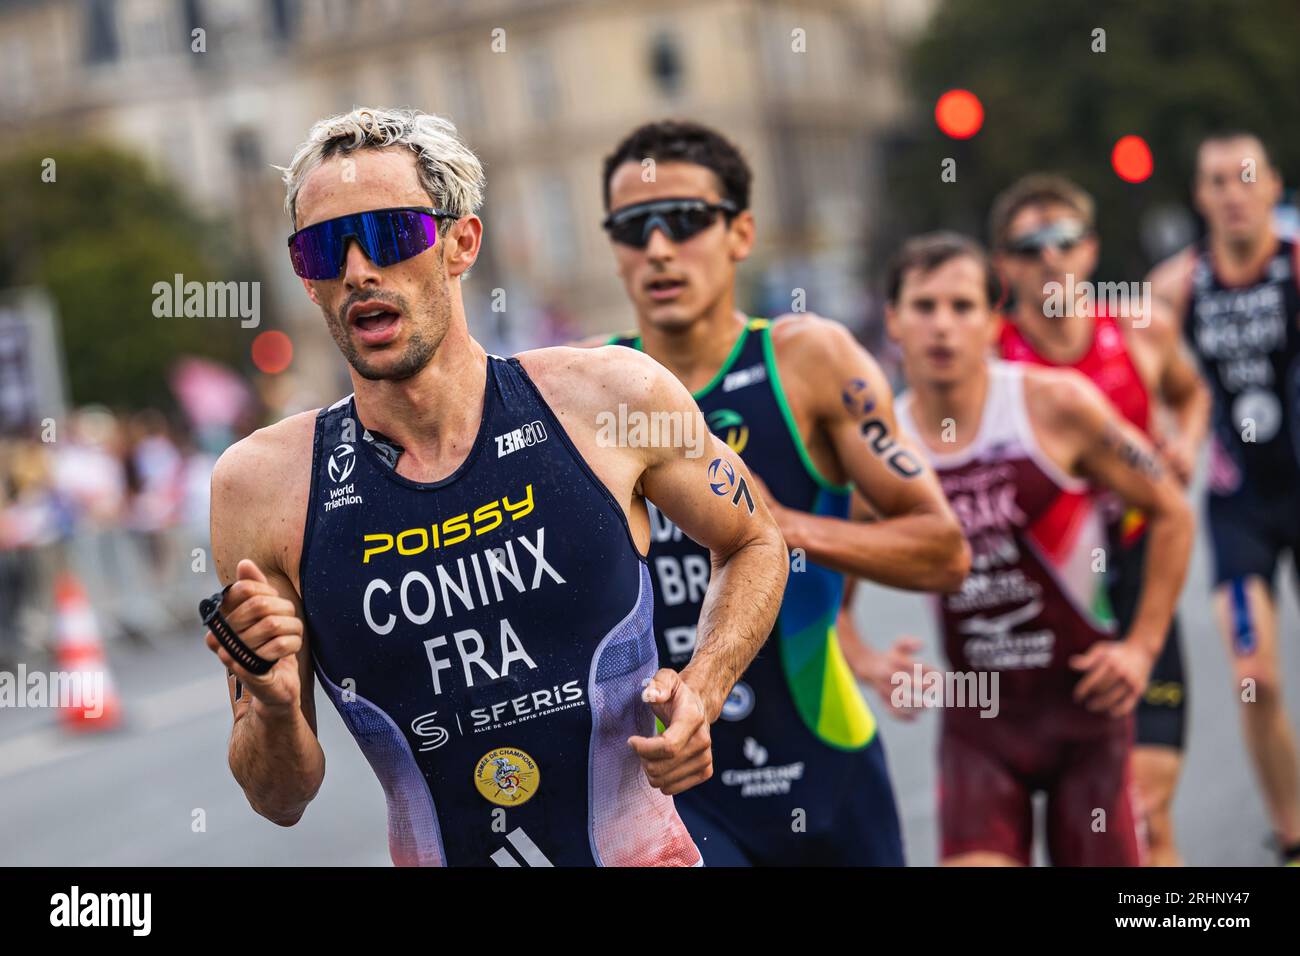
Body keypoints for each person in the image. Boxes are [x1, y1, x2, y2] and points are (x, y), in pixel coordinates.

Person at [204, 108, 789, 867]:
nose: (357, 271)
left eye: (388, 235)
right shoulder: (259, 487)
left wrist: (704, 688)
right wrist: (277, 712)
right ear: (304, 276)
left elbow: (754, 538)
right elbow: (279, 798)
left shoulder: (611, 398)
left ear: (460, 243)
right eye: (323, 248)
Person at [583, 120, 969, 865]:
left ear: (741, 232)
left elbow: (944, 550)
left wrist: (781, 527)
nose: (659, 247)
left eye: (687, 220)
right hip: (672, 782)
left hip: (824, 762)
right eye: (633, 228)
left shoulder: (808, 362)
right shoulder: (586, 389)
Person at [887, 232, 1193, 866]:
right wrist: (863, 655)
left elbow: (1171, 510)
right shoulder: (883, 439)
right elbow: (815, 550)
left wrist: (1141, 647)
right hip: (981, 727)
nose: (942, 326)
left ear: (993, 321)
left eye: (962, 306)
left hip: (1088, 714)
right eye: (923, 306)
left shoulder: (1056, 404)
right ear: (893, 320)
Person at [989, 174, 1210, 865]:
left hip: (1139, 576)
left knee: (1146, 809)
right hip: (1045, 605)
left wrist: (1185, 444)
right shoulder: (991, 359)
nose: (1049, 258)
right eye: (1028, 247)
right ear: (1004, 266)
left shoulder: (1140, 330)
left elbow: (1190, 391)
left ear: (1090, 250)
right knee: (1080, 826)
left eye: (1063, 240)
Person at [1147, 130, 1300, 865]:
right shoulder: (1175, 289)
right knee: (1254, 677)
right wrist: (1165, 441)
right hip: (1240, 508)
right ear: (1201, 196)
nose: (1233, 193)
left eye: (1246, 177)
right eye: (1217, 181)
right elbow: (1136, 391)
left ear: (1273, 186)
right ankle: (1294, 837)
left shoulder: (1298, 267)